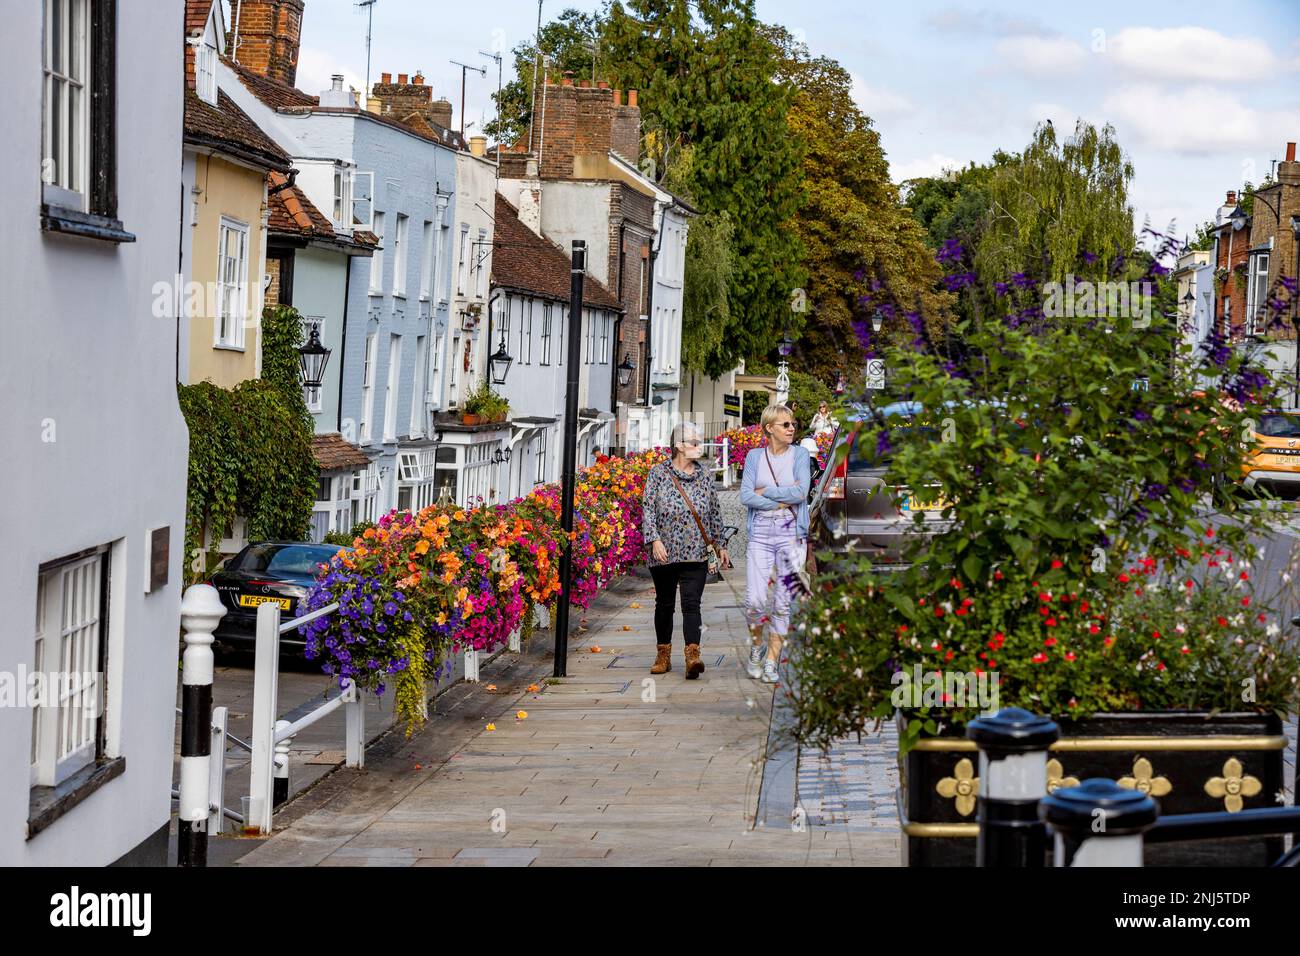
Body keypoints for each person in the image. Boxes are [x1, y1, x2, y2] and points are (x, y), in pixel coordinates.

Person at [641, 422, 731, 678]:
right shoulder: (658, 473)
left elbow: (714, 512)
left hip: (696, 551)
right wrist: (654, 540)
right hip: (664, 551)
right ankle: (663, 655)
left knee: (692, 604)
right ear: (679, 445)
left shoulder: (705, 476)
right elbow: (648, 509)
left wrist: (721, 544)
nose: (699, 446)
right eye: (694, 442)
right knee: (665, 603)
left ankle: (693, 656)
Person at [740, 404, 811, 683]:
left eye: (793, 424)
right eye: (785, 424)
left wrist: (767, 491)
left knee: (782, 603)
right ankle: (757, 646)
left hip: (790, 531)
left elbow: (801, 492)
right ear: (769, 428)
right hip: (760, 531)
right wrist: (780, 499)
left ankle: (772, 661)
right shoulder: (754, 457)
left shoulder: (800, 455)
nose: (792, 428)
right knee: (754, 601)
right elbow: (746, 496)